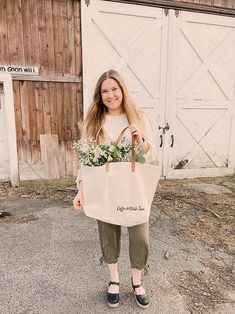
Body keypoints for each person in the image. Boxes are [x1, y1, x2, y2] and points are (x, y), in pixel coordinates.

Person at [73, 69, 157, 309]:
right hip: (105, 188)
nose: (110, 95)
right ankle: (113, 279)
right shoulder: (94, 122)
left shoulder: (138, 118)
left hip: (132, 187)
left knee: (140, 234)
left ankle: (137, 281)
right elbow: (86, 163)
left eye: (114, 89)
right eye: (104, 91)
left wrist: (140, 140)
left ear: (122, 90)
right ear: (100, 95)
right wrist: (80, 191)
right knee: (108, 231)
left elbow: (148, 156)